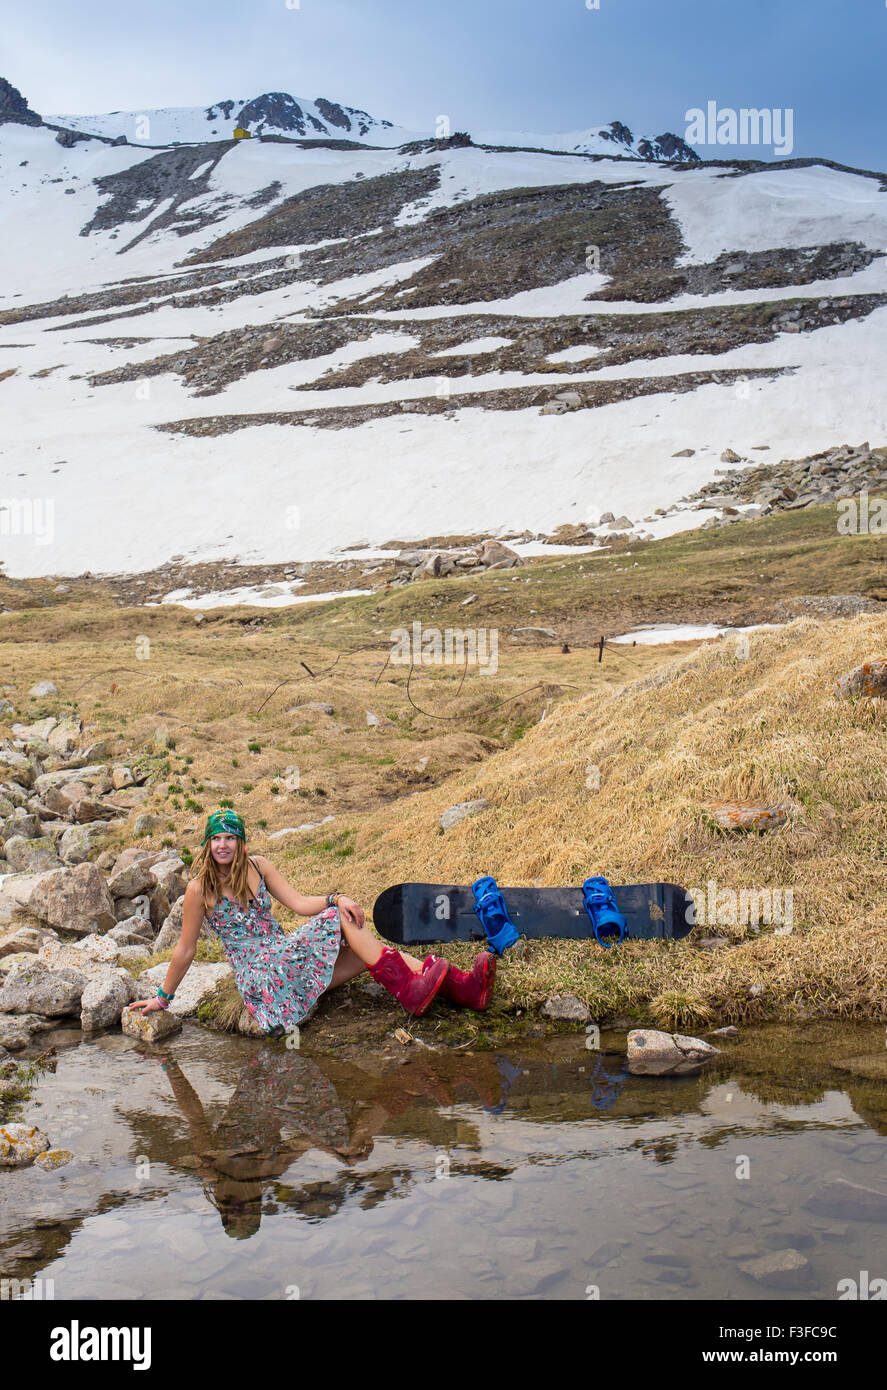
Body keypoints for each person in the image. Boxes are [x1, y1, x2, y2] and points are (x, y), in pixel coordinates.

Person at [129, 809, 495, 1032]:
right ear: (207, 844)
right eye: (216, 838)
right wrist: (162, 1000)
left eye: (230, 837)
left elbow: (301, 903)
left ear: (241, 843)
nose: (223, 845)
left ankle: (464, 989)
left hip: (285, 957)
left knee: (368, 952)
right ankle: (419, 991)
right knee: (344, 927)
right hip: (261, 977)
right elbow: (186, 949)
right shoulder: (199, 889)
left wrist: (337, 897)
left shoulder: (259, 866)